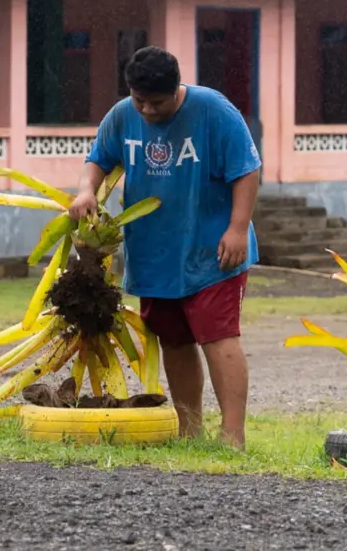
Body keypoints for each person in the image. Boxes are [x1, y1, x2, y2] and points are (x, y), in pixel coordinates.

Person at [69, 46, 260, 449]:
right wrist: (86, 190)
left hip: (212, 250)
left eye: (157, 103)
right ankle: (190, 430)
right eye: (141, 101)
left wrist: (238, 229)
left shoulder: (213, 110)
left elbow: (247, 168)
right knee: (174, 340)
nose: (148, 111)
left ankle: (233, 439)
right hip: (154, 253)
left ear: (177, 89)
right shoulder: (123, 114)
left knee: (219, 337)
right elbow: (98, 158)